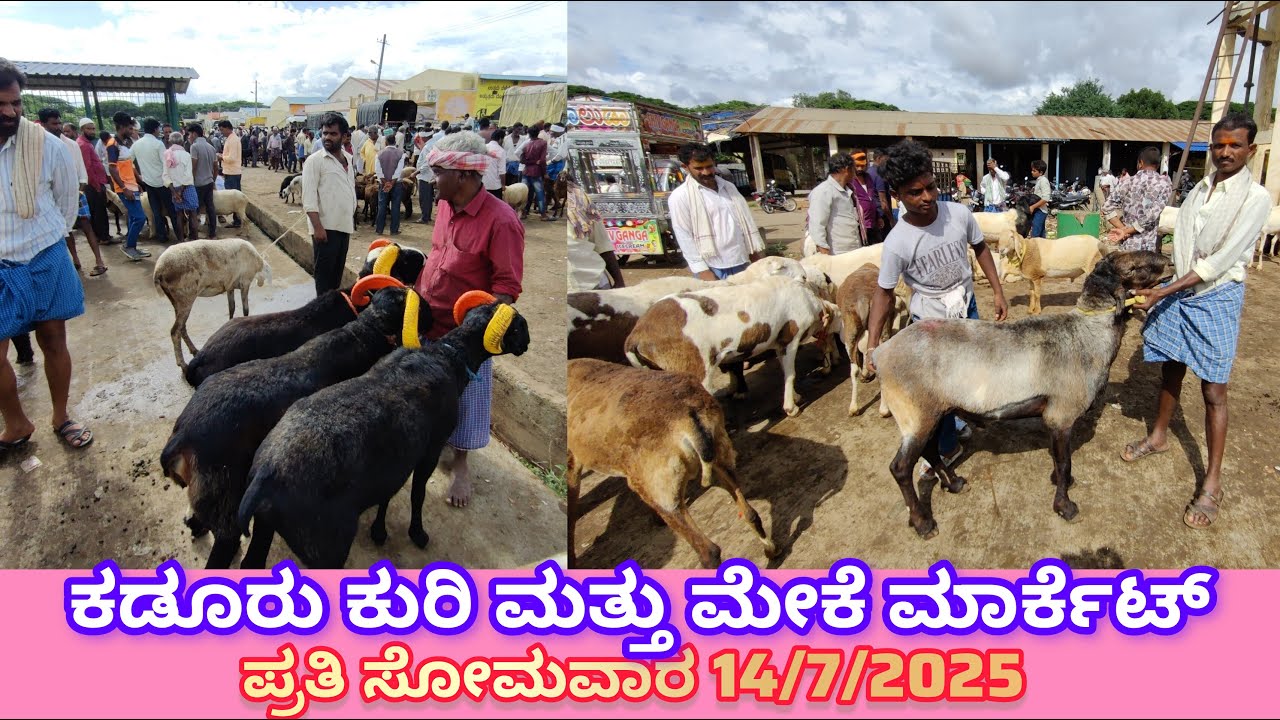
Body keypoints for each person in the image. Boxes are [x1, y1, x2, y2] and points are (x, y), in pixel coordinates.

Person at [1123, 113, 1270, 529]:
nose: (1225, 152)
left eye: (1235, 145)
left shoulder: (1255, 199)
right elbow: (1184, 250)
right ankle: (1159, 436)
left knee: (1213, 390)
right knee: (1171, 367)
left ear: (1250, 150)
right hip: (1182, 290)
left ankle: (1212, 483)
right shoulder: (1197, 192)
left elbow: (1217, 263)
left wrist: (1162, 292)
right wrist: (1156, 282)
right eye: (1219, 144)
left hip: (1216, 298)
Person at [865, 140, 1008, 479]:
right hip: (929, 321)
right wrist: (872, 343)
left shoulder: (959, 214)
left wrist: (998, 292)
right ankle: (946, 448)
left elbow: (981, 249)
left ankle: (960, 422)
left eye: (930, 186)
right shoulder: (897, 242)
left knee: (972, 372)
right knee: (936, 392)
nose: (927, 197)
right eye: (915, 192)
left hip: (966, 308)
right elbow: (883, 294)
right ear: (897, 194)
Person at [413, 130, 525, 508]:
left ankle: (461, 464)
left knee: (467, 399)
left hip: (463, 334)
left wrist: (476, 335)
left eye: (438, 171)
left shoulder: (502, 222)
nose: (432, 179)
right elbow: (436, 255)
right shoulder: (444, 206)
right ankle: (427, 443)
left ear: (462, 175)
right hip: (428, 317)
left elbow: (507, 288)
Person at [0, 58, 95, 453]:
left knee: (54, 337)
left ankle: (61, 415)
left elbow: (66, 199)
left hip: (43, 251)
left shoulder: (48, 146)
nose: (9, 112)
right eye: (0, 105)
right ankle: (16, 423)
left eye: (15, 103)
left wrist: (49, 235)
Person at [667, 142, 765, 279]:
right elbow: (684, 235)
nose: (706, 172)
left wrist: (754, 255)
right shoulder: (680, 196)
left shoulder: (729, 187)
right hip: (713, 266)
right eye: (699, 168)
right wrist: (702, 271)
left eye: (709, 166)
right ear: (685, 167)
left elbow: (744, 223)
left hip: (741, 261)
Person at [38, 108, 105, 275]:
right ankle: (75, 261)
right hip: (51, 197)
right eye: (54, 123)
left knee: (86, 225)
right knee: (64, 231)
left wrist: (77, 194)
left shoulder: (71, 145)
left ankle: (99, 261)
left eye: (59, 123)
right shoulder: (39, 147)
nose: (58, 127)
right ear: (43, 124)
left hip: (76, 192)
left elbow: (82, 173)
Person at [301, 113, 356, 296]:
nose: (327, 138)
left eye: (333, 134)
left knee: (336, 280)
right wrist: (318, 228)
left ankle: (330, 319)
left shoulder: (348, 158)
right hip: (325, 229)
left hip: (344, 226)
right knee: (324, 282)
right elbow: (308, 199)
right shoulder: (314, 161)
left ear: (344, 136)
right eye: (325, 133)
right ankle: (321, 322)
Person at [1101, 146, 1173, 253]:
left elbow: (1106, 208)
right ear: (1158, 165)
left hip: (1127, 246)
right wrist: (1126, 231)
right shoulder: (1164, 185)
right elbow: (1151, 216)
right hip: (1146, 250)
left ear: (1140, 163)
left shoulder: (1126, 182)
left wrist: (1123, 229)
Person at [567, 173, 625, 291]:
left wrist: (619, 281)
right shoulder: (581, 200)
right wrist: (619, 281)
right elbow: (602, 244)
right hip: (585, 282)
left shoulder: (581, 201)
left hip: (591, 284)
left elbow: (602, 244)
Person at [108, 112, 150, 260]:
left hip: (131, 186)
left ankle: (133, 247)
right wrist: (125, 188)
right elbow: (112, 169)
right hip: (124, 188)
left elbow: (130, 166)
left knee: (134, 218)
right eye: (130, 128)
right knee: (140, 218)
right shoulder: (112, 145)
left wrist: (137, 182)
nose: (132, 131)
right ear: (122, 127)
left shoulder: (124, 144)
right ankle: (129, 246)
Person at [807, 152, 863, 255]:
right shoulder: (823, 191)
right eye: (853, 169)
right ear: (846, 169)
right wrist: (823, 249)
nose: (855, 173)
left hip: (852, 249)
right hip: (836, 252)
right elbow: (817, 224)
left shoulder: (847, 190)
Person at [134, 117, 178, 243]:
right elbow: (166, 164)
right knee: (171, 209)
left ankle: (162, 236)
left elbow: (128, 160)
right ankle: (178, 233)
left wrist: (139, 176)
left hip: (148, 183)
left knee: (156, 211)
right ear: (155, 129)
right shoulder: (158, 144)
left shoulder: (137, 144)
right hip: (162, 183)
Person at [77, 118, 113, 256]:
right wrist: (97, 185)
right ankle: (103, 237)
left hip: (95, 183)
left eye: (93, 128)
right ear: (82, 129)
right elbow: (87, 168)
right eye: (89, 129)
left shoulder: (87, 143)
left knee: (99, 211)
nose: (92, 131)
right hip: (93, 184)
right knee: (98, 212)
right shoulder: (84, 145)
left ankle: (103, 236)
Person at [163, 131, 198, 241]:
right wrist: (181, 192)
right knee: (192, 213)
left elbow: (165, 175)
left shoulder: (167, 155)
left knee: (179, 214)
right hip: (187, 188)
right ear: (182, 142)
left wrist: (174, 192)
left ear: (170, 141)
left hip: (174, 188)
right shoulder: (186, 155)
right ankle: (194, 239)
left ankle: (181, 240)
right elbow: (188, 175)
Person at [186, 123, 218, 239]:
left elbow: (193, 166)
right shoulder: (211, 148)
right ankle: (212, 233)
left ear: (194, 134)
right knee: (210, 207)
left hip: (197, 184)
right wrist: (213, 180)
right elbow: (216, 167)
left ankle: (193, 235)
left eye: (189, 134)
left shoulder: (194, 147)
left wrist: (190, 181)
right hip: (209, 182)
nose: (189, 137)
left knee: (194, 210)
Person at [374, 127, 405, 235]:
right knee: (395, 206)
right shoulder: (401, 153)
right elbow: (399, 170)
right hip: (396, 184)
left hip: (383, 183)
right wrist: (391, 182)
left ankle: (379, 229)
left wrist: (385, 182)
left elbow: (378, 170)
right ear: (395, 142)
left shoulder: (379, 154)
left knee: (382, 206)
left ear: (386, 142)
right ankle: (394, 230)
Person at [850, 150, 885, 244]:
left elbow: (872, 199)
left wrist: (878, 217)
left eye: (862, 166)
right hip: (860, 226)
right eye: (857, 166)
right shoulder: (849, 182)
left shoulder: (868, 177)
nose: (860, 168)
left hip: (873, 223)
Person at [519, 125, 550, 221]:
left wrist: (530, 162)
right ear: (538, 133)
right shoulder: (543, 143)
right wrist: (544, 173)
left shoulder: (527, 144)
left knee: (524, 193)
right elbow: (542, 160)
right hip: (536, 171)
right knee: (540, 193)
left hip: (526, 170)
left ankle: (523, 212)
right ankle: (543, 214)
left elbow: (522, 159)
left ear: (529, 133)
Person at [216, 120, 242, 202]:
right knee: (233, 198)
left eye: (222, 130)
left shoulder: (233, 139)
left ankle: (237, 215)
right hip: (230, 171)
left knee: (234, 199)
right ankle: (236, 214)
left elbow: (232, 158)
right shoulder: (230, 138)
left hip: (232, 173)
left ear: (227, 128)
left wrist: (221, 157)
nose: (221, 132)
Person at [1027, 159, 1051, 238]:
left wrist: (1033, 207)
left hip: (1040, 211)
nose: (1032, 172)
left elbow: (1046, 198)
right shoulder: (1039, 181)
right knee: (1041, 234)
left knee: (1035, 235)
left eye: (1034, 171)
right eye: (1032, 170)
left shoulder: (1043, 181)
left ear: (1040, 172)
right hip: (1039, 210)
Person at [483, 128, 505, 200]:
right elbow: (502, 171)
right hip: (495, 186)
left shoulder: (483, 148)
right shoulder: (501, 151)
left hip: (482, 184)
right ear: (501, 139)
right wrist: (503, 185)